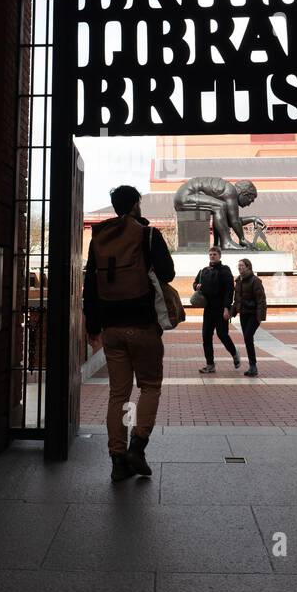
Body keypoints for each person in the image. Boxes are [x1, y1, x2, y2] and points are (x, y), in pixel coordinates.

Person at [83, 184, 175, 483]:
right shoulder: (148, 235)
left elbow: (90, 287)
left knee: (118, 395)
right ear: (136, 204)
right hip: (144, 326)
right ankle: (138, 445)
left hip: (111, 329)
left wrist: (93, 326)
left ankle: (118, 460)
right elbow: (168, 273)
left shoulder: (99, 239)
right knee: (149, 386)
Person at [193, 246, 240, 373]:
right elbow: (195, 283)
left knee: (222, 334)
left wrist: (227, 308)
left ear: (219, 256)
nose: (212, 256)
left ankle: (234, 353)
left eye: (214, 254)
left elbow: (229, 291)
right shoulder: (204, 271)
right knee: (206, 336)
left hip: (220, 308)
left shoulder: (225, 271)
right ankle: (210, 364)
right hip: (208, 309)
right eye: (210, 254)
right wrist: (196, 286)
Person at [231, 257, 267, 376]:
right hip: (244, 314)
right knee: (248, 339)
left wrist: (260, 316)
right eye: (239, 265)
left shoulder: (255, 281)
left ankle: (253, 366)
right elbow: (237, 300)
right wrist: (232, 312)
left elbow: (261, 299)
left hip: (253, 315)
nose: (240, 267)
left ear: (248, 267)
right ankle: (252, 366)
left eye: (242, 265)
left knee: (247, 337)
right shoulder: (238, 281)